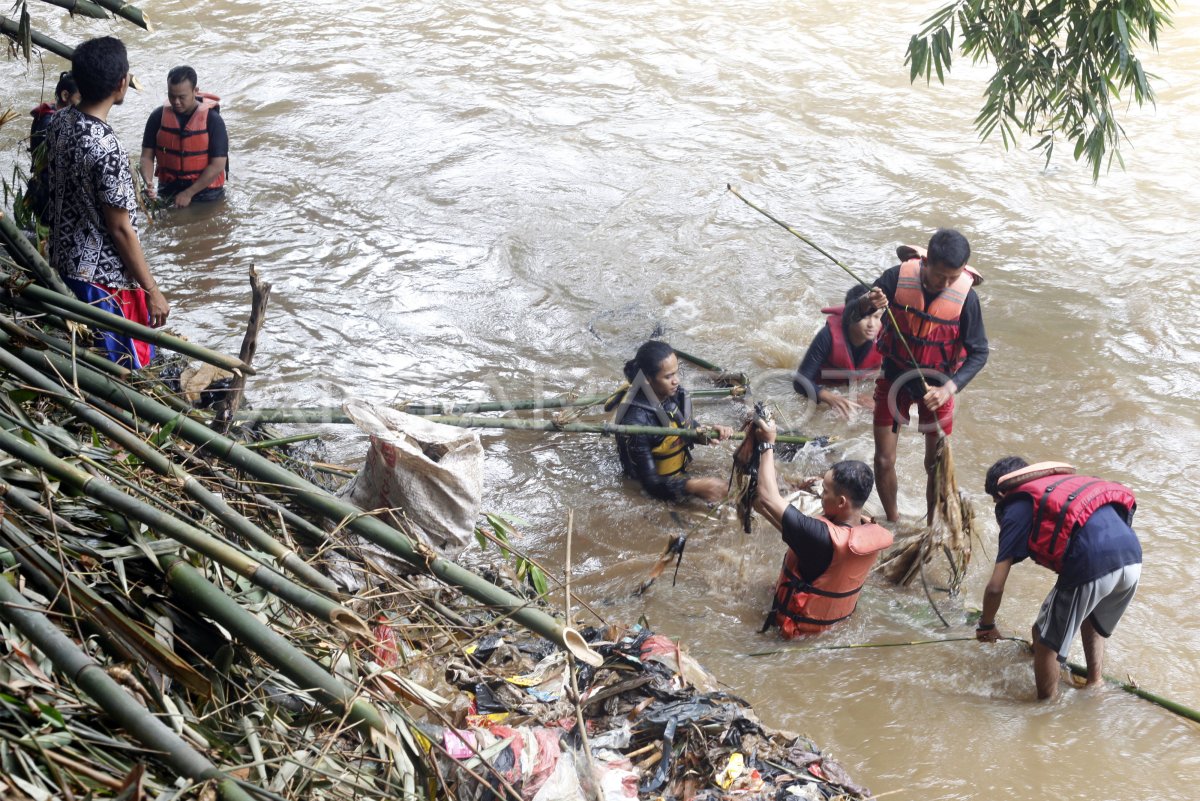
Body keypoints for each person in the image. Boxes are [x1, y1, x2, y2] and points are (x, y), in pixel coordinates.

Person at [45, 36, 170, 367]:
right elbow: (120, 229)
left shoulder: (59, 122)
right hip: (102, 283)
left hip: (62, 262)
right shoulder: (107, 148)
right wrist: (152, 291)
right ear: (121, 84)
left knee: (85, 359)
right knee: (120, 369)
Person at [976, 457, 1141, 700]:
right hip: (1133, 556)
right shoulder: (1060, 486)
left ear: (1002, 493)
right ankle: (1095, 683)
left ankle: (1047, 710)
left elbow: (995, 587)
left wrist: (986, 625)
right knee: (1089, 619)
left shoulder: (1017, 505)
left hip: (1091, 562)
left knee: (1044, 643)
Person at [858, 232, 989, 522]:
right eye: (939, 276)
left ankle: (931, 528)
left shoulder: (967, 300)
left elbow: (979, 353)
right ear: (926, 262)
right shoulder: (896, 278)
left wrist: (949, 390)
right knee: (884, 459)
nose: (944, 284)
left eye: (952, 278)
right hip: (894, 379)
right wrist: (869, 301)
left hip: (938, 386)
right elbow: (858, 310)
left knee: (935, 465)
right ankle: (892, 523)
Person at [753, 417, 893, 637]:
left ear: (841, 503)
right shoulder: (865, 527)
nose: (819, 494)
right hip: (832, 628)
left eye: (825, 491)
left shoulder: (818, 536)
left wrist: (767, 444)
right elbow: (808, 547)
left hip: (792, 636)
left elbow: (768, 496)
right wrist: (764, 511)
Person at [610, 340, 733, 503]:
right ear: (647, 379)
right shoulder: (636, 424)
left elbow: (682, 423)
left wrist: (707, 433)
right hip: (652, 487)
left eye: (676, 373)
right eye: (668, 376)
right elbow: (649, 485)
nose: (676, 381)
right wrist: (695, 487)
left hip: (676, 472)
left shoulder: (672, 393)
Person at [139, 65, 228, 207]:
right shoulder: (157, 117)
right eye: (171, 96)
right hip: (168, 189)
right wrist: (148, 182)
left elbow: (218, 165)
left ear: (195, 91)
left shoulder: (213, 120)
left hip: (206, 192)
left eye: (182, 97)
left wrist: (188, 193)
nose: (176, 102)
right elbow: (146, 156)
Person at [793, 284, 885, 420]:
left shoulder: (885, 336)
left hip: (856, 382)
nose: (872, 324)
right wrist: (831, 398)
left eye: (877, 317)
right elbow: (800, 381)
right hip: (827, 384)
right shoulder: (827, 336)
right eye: (865, 317)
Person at [24, 72, 80, 222]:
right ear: (65, 95)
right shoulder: (50, 124)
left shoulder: (51, 116)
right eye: (80, 98)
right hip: (50, 196)